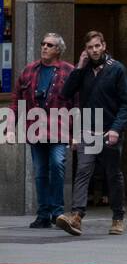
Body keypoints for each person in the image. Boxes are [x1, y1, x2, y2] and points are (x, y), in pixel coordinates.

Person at [56, 31, 127, 237]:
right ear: (86, 50)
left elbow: (126, 105)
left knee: (113, 175)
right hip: (87, 130)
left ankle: (118, 217)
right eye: (90, 47)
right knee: (83, 171)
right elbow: (65, 94)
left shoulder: (117, 69)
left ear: (104, 46)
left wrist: (116, 129)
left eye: (97, 46)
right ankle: (76, 216)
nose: (94, 50)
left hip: (109, 130)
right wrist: (79, 67)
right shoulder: (84, 70)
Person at [16, 33, 74, 228]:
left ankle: (57, 212)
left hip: (60, 129)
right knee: (40, 172)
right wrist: (9, 127)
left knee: (57, 165)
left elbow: (78, 103)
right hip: (36, 129)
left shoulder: (68, 71)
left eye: (49, 45)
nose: (44, 47)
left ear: (58, 49)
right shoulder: (29, 70)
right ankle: (43, 214)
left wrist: (76, 134)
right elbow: (17, 100)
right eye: (43, 44)